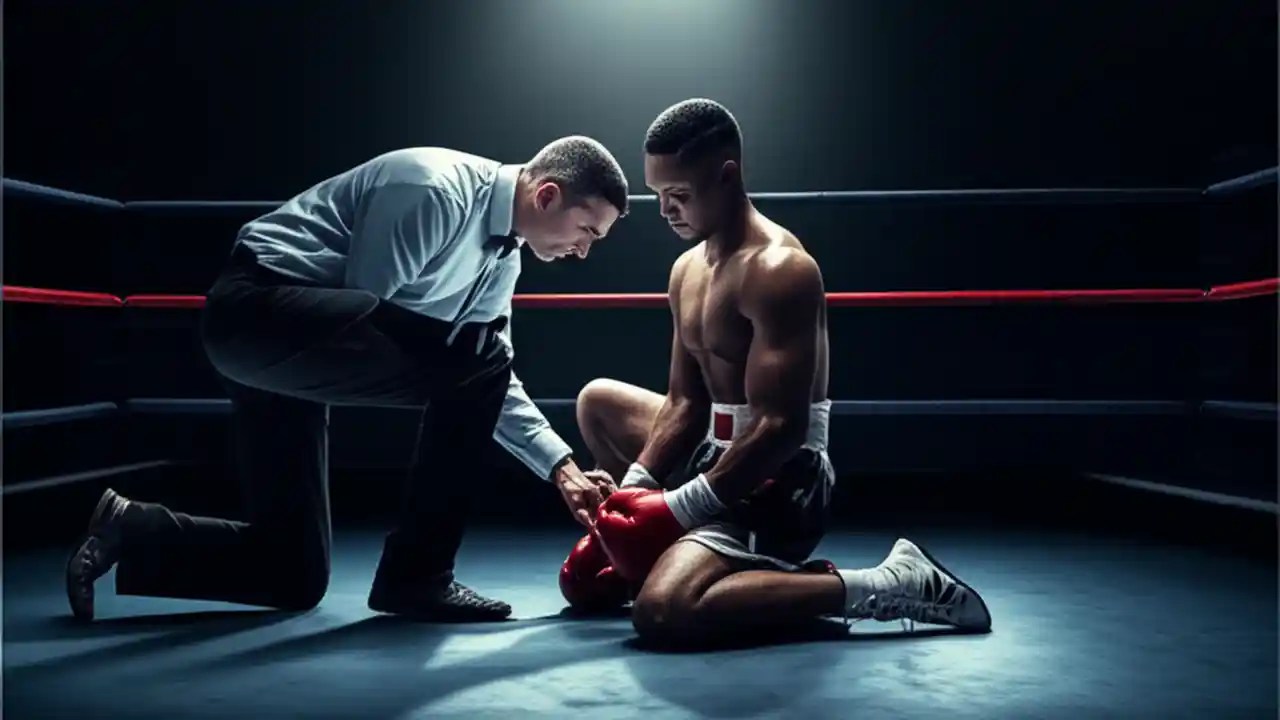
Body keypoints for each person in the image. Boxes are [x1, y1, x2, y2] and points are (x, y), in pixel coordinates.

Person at [68, 137, 628, 623]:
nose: (583, 250)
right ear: (546, 195)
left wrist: (563, 470)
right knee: (476, 363)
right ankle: (417, 575)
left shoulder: (503, 260)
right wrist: (467, 357)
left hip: (299, 352)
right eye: (587, 230)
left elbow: (488, 376)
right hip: (256, 314)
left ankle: (131, 528)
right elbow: (369, 310)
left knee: (293, 574)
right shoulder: (435, 188)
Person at [566, 99, 992, 645]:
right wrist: (634, 494)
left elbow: (781, 428)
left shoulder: (781, 270)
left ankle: (888, 583)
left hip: (781, 481)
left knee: (663, 612)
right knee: (597, 402)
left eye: (679, 194)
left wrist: (675, 509)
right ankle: (694, 556)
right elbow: (685, 403)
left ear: (727, 176)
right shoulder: (686, 269)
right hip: (715, 451)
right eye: (658, 194)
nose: (666, 210)